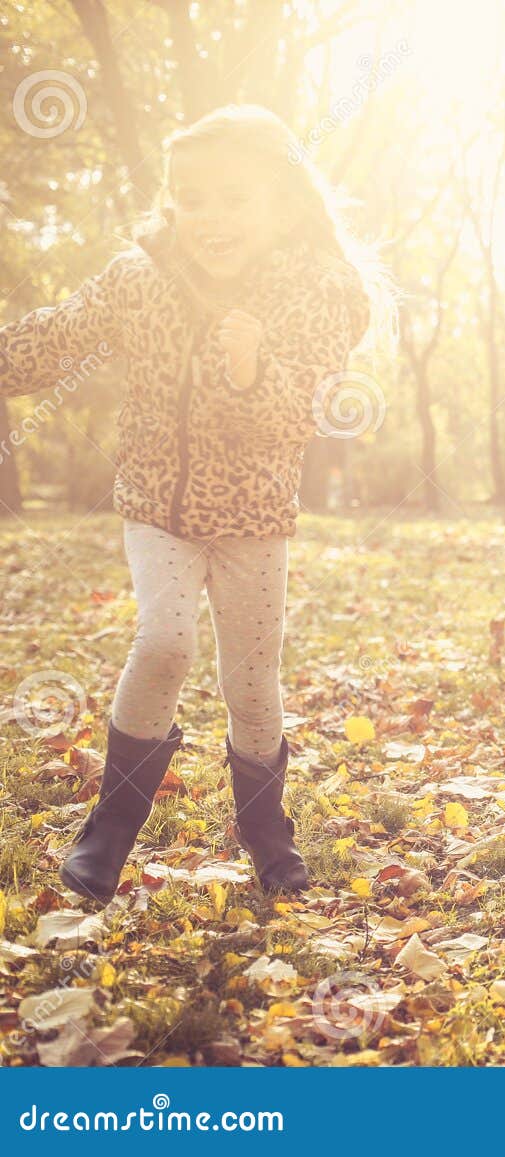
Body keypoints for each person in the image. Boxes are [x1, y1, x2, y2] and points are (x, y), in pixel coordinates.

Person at [0, 105, 392, 902]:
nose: (209, 217)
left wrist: (248, 367)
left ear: (281, 203)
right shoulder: (138, 280)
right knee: (165, 640)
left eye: (234, 198)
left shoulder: (316, 293)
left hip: (254, 519)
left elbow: (296, 416)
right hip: (157, 506)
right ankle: (111, 826)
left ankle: (264, 825)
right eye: (191, 196)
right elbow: (55, 338)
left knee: (252, 683)